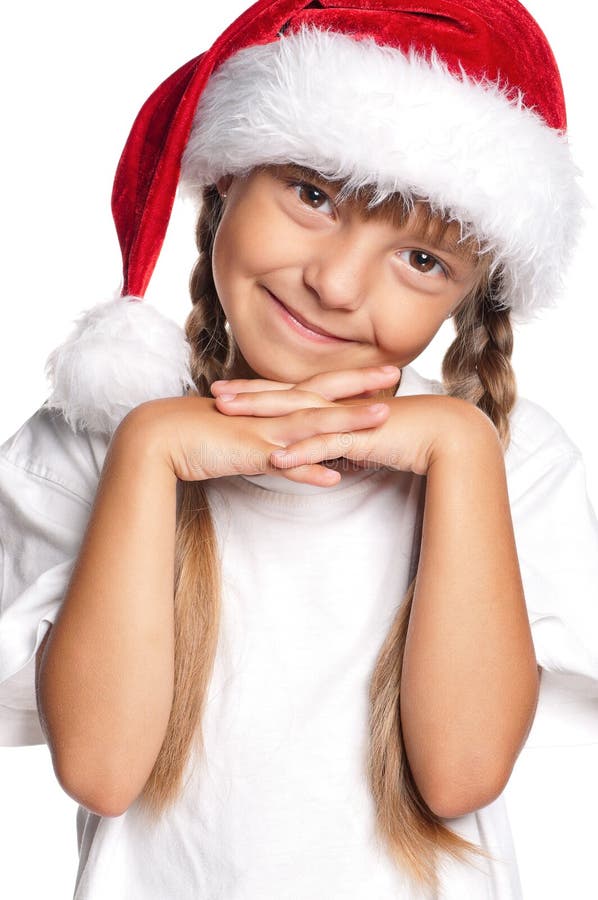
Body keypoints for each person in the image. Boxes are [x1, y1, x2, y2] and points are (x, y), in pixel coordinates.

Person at [1, 1, 597, 897]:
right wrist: (149, 450)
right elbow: (99, 768)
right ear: (228, 180)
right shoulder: (96, 436)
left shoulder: (512, 460)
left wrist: (462, 453)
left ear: (469, 301)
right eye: (313, 194)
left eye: (423, 261)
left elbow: (462, 772)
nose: (335, 283)